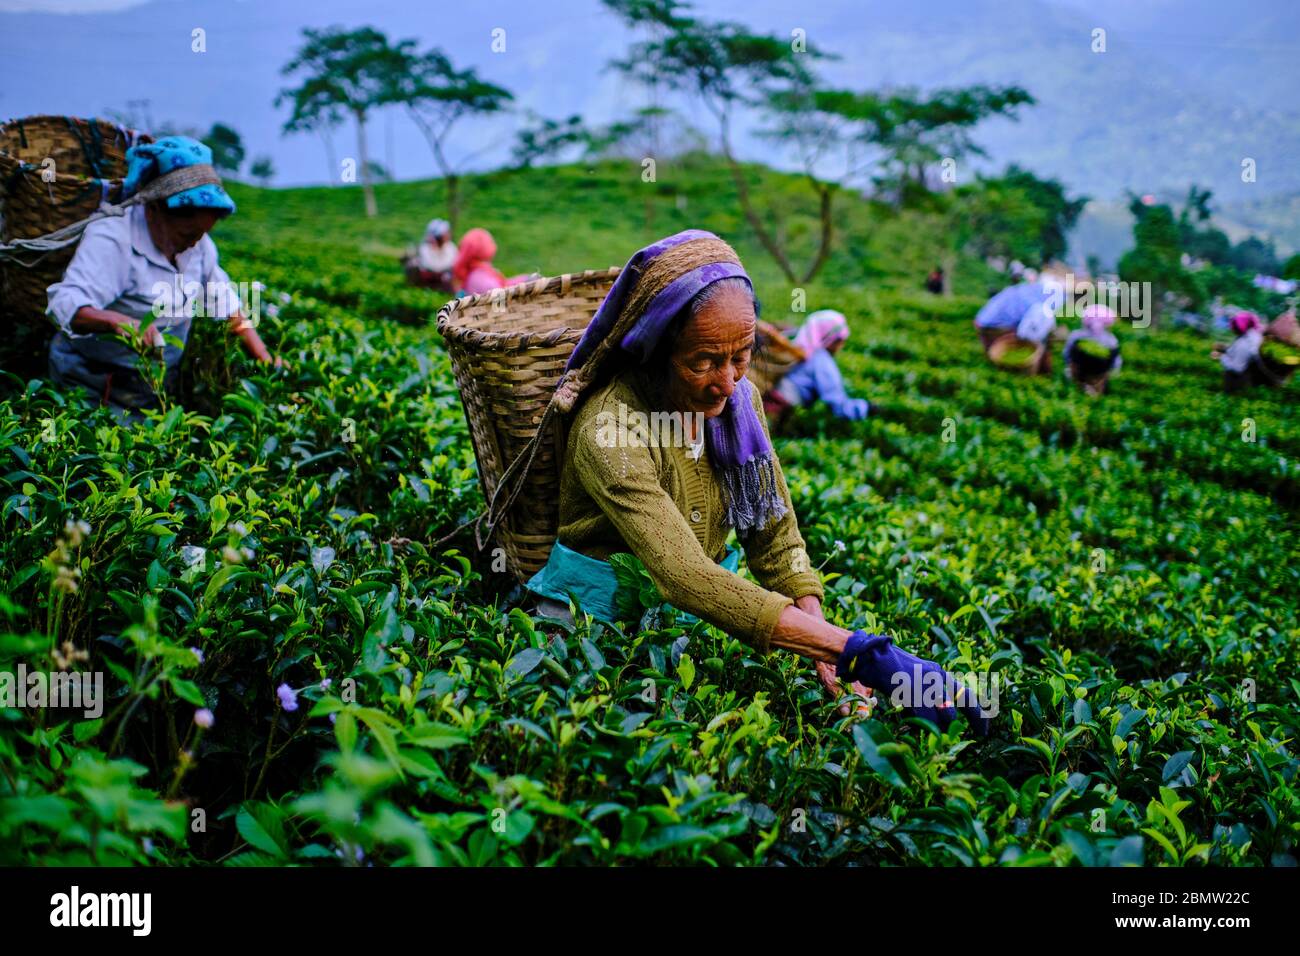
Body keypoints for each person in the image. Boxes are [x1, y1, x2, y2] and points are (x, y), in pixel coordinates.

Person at [524, 230, 989, 733]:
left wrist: (826, 647)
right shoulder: (610, 428)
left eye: (740, 357)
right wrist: (863, 654)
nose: (726, 382)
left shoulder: (739, 405)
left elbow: (774, 533)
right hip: (592, 629)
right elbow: (681, 573)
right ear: (653, 350)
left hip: (690, 625)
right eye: (701, 361)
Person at [45, 136, 277, 423]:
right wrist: (117, 322)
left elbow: (225, 304)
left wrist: (265, 357)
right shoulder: (113, 238)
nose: (194, 243)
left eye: (202, 234)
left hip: (151, 383)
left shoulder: (199, 246)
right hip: (90, 380)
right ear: (153, 208)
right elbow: (66, 303)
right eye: (186, 234)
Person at [765, 309, 869, 421]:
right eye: (838, 340)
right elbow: (837, 404)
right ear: (829, 338)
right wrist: (866, 408)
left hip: (770, 400)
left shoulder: (800, 347)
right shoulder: (820, 359)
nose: (841, 346)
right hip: (780, 408)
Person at [972, 278, 1059, 374]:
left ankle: (997, 371)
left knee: (994, 355)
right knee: (1006, 356)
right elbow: (1026, 333)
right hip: (995, 326)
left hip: (981, 320)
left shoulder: (1025, 290)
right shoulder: (1034, 304)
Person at [1063, 304, 1122, 396]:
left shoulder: (1076, 336)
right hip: (1099, 381)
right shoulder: (1111, 340)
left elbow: (1066, 355)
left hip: (1076, 377)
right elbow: (1116, 364)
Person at [1214, 311, 1266, 393]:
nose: (1232, 329)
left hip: (1238, 382)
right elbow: (1237, 352)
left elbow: (1237, 368)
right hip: (1247, 378)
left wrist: (1220, 357)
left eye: (1235, 327)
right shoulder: (1254, 335)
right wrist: (1224, 348)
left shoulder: (1244, 343)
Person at [403, 218, 457, 291]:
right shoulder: (425, 249)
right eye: (445, 233)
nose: (448, 235)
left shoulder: (450, 247)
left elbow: (453, 263)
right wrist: (435, 249)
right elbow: (434, 267)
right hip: (427, 286)